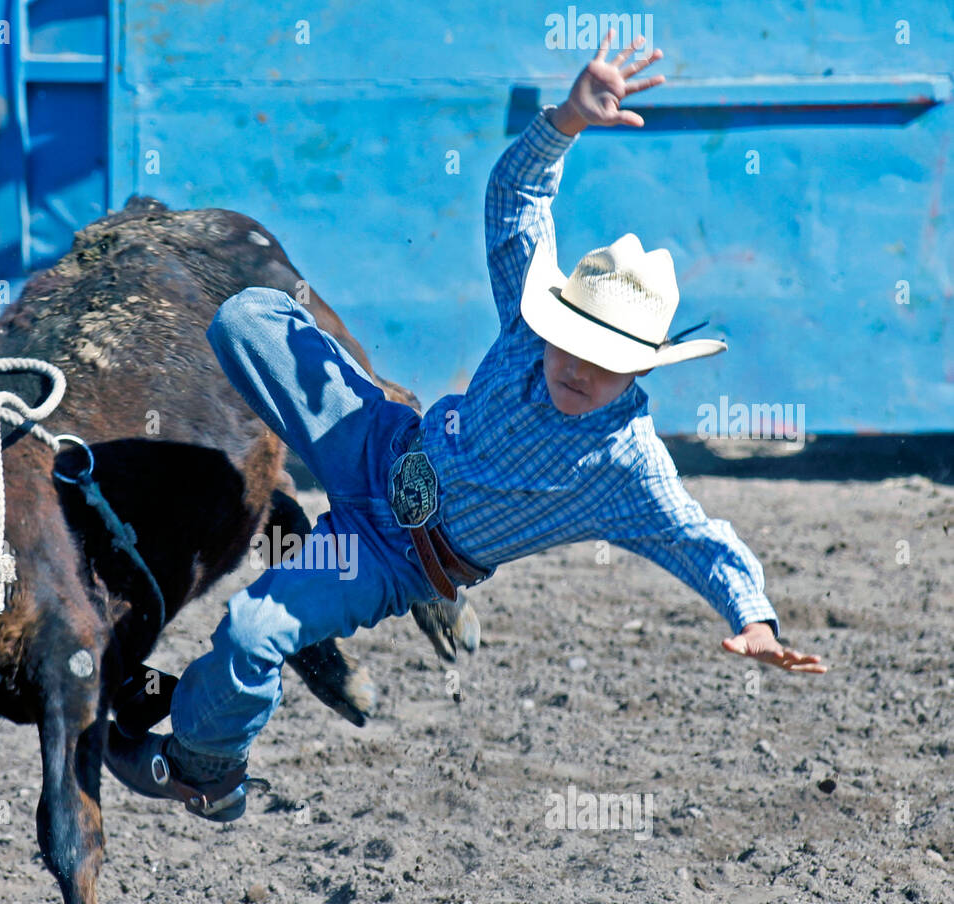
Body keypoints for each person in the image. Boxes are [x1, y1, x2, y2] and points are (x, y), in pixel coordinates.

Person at [105, 33, 828, 822]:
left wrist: (751, 616)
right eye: (572, 341)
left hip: (397, 558)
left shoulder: (627, 467)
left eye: (603, 359)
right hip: (382, 445)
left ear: (641, 369)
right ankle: (218, 676)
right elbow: (515, 201)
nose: (576, 367)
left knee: (252, 631)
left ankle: (207, 768)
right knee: (247, 318)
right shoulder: (530, 329)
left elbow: (698, 537)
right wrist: (567, 121)